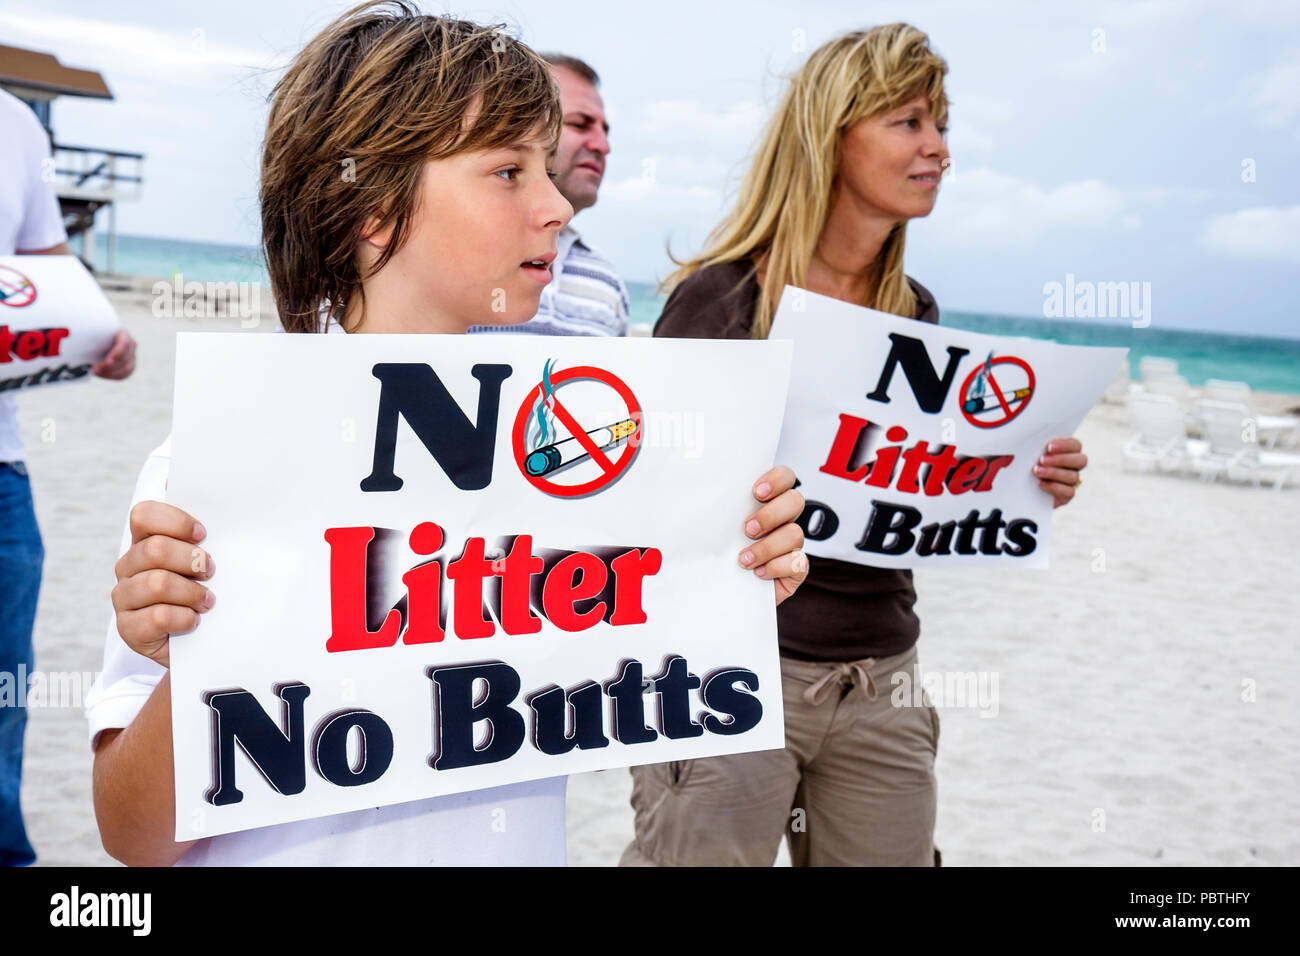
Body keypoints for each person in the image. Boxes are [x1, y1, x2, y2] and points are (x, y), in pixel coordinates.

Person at [86, 0, 807, 867]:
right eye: (508, 171)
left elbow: (635, 686)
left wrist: (725, 572)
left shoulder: (574, 469)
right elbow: (132, 838)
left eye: (548, 167)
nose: (555, 208)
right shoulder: (213, 473)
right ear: (374, 208)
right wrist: (190, 666)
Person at [621, 24, 1088, 867]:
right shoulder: (720, 302)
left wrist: (1024, 473)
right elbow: (650, 508)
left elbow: (916, 483)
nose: (939, 148)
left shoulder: (916, 315)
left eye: (942, 125)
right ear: (830, 135)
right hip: (732, 679)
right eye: (909, 122)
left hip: (886, 678)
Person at [0, 87, 136, 867]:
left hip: (3, 467)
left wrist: (102, 341)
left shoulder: (16, 124)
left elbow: (52, 284)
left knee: (7, 689)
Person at [468, 53, 627, 338]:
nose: (603, 145)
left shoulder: (607, 281)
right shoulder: (459, 260)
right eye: (580, 124)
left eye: (605, 130)